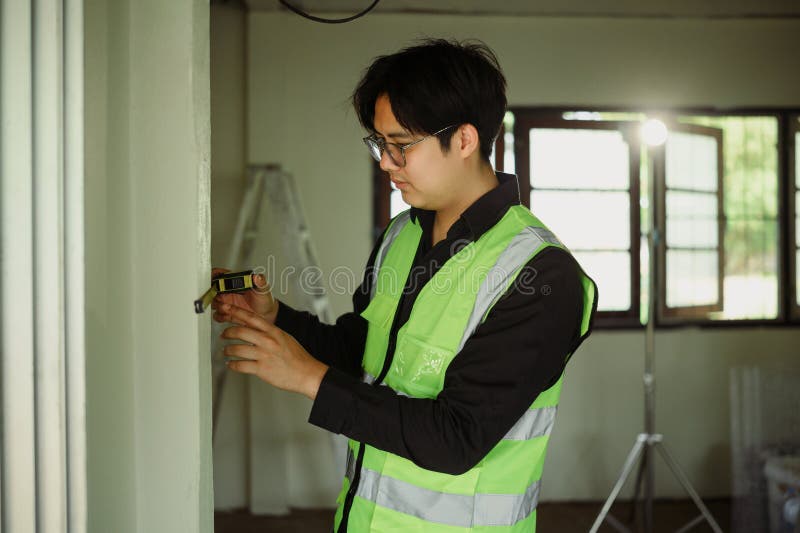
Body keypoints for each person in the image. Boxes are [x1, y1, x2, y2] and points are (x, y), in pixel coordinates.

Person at [212, 38, 598, 533]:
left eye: (401, 146)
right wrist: (277, 318)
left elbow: (457, 438)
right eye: (379, 144)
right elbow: (363, 352)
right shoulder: (403, 233)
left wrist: (308, 377)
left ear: (464, 140)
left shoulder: (541, 273)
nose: (385, 163)